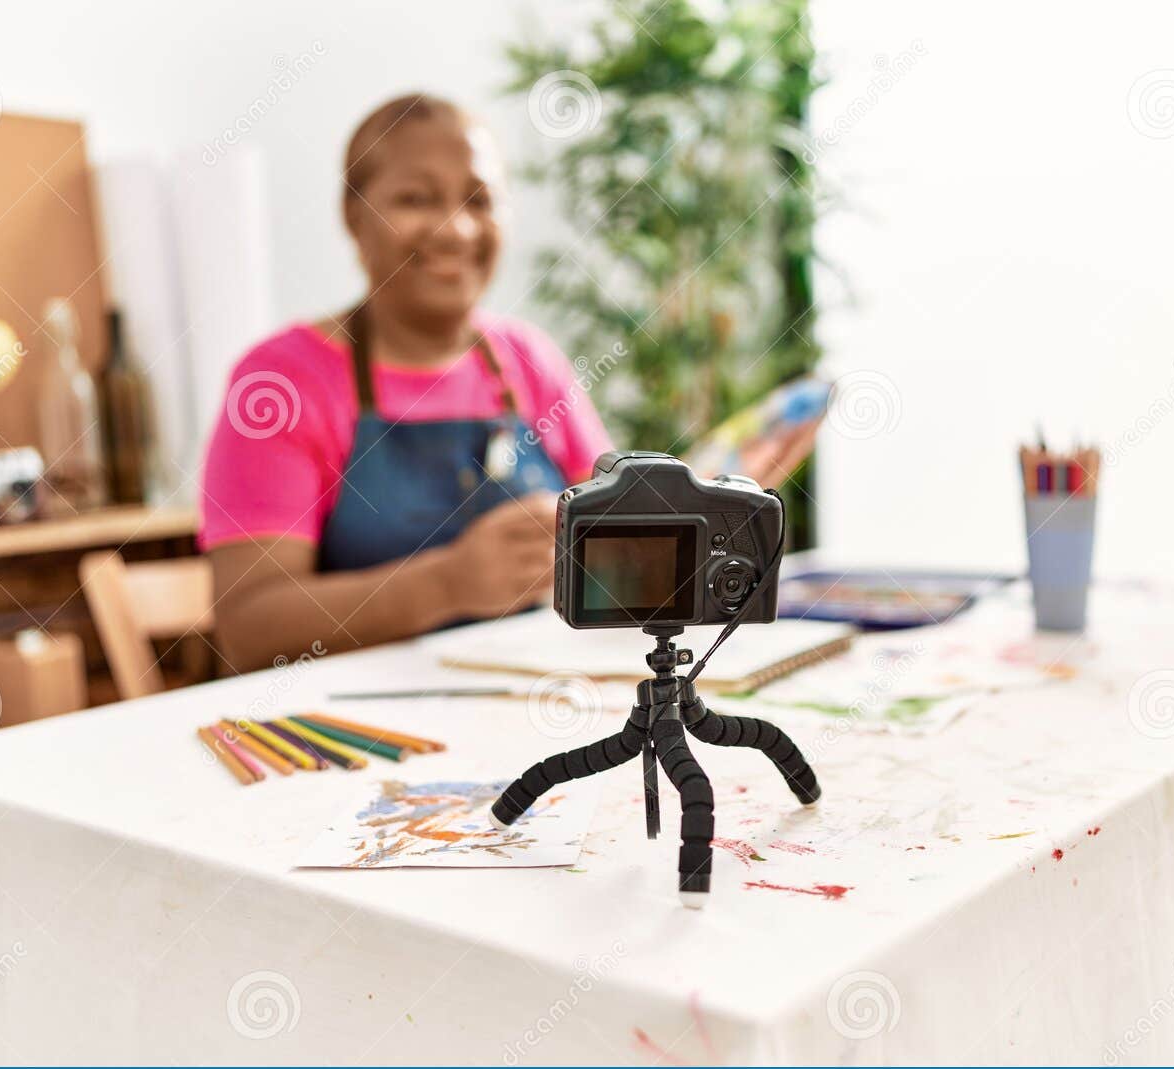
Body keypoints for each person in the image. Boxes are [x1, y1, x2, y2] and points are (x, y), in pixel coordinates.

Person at [199, 94, 812, 673]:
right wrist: (446, 583)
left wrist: (714, 501)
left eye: (480, 200)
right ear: (354, 217)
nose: (458, 230)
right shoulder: (283, 382)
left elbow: (624, 558)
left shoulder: (527, 361)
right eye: (416, 199)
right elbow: (250, 628)